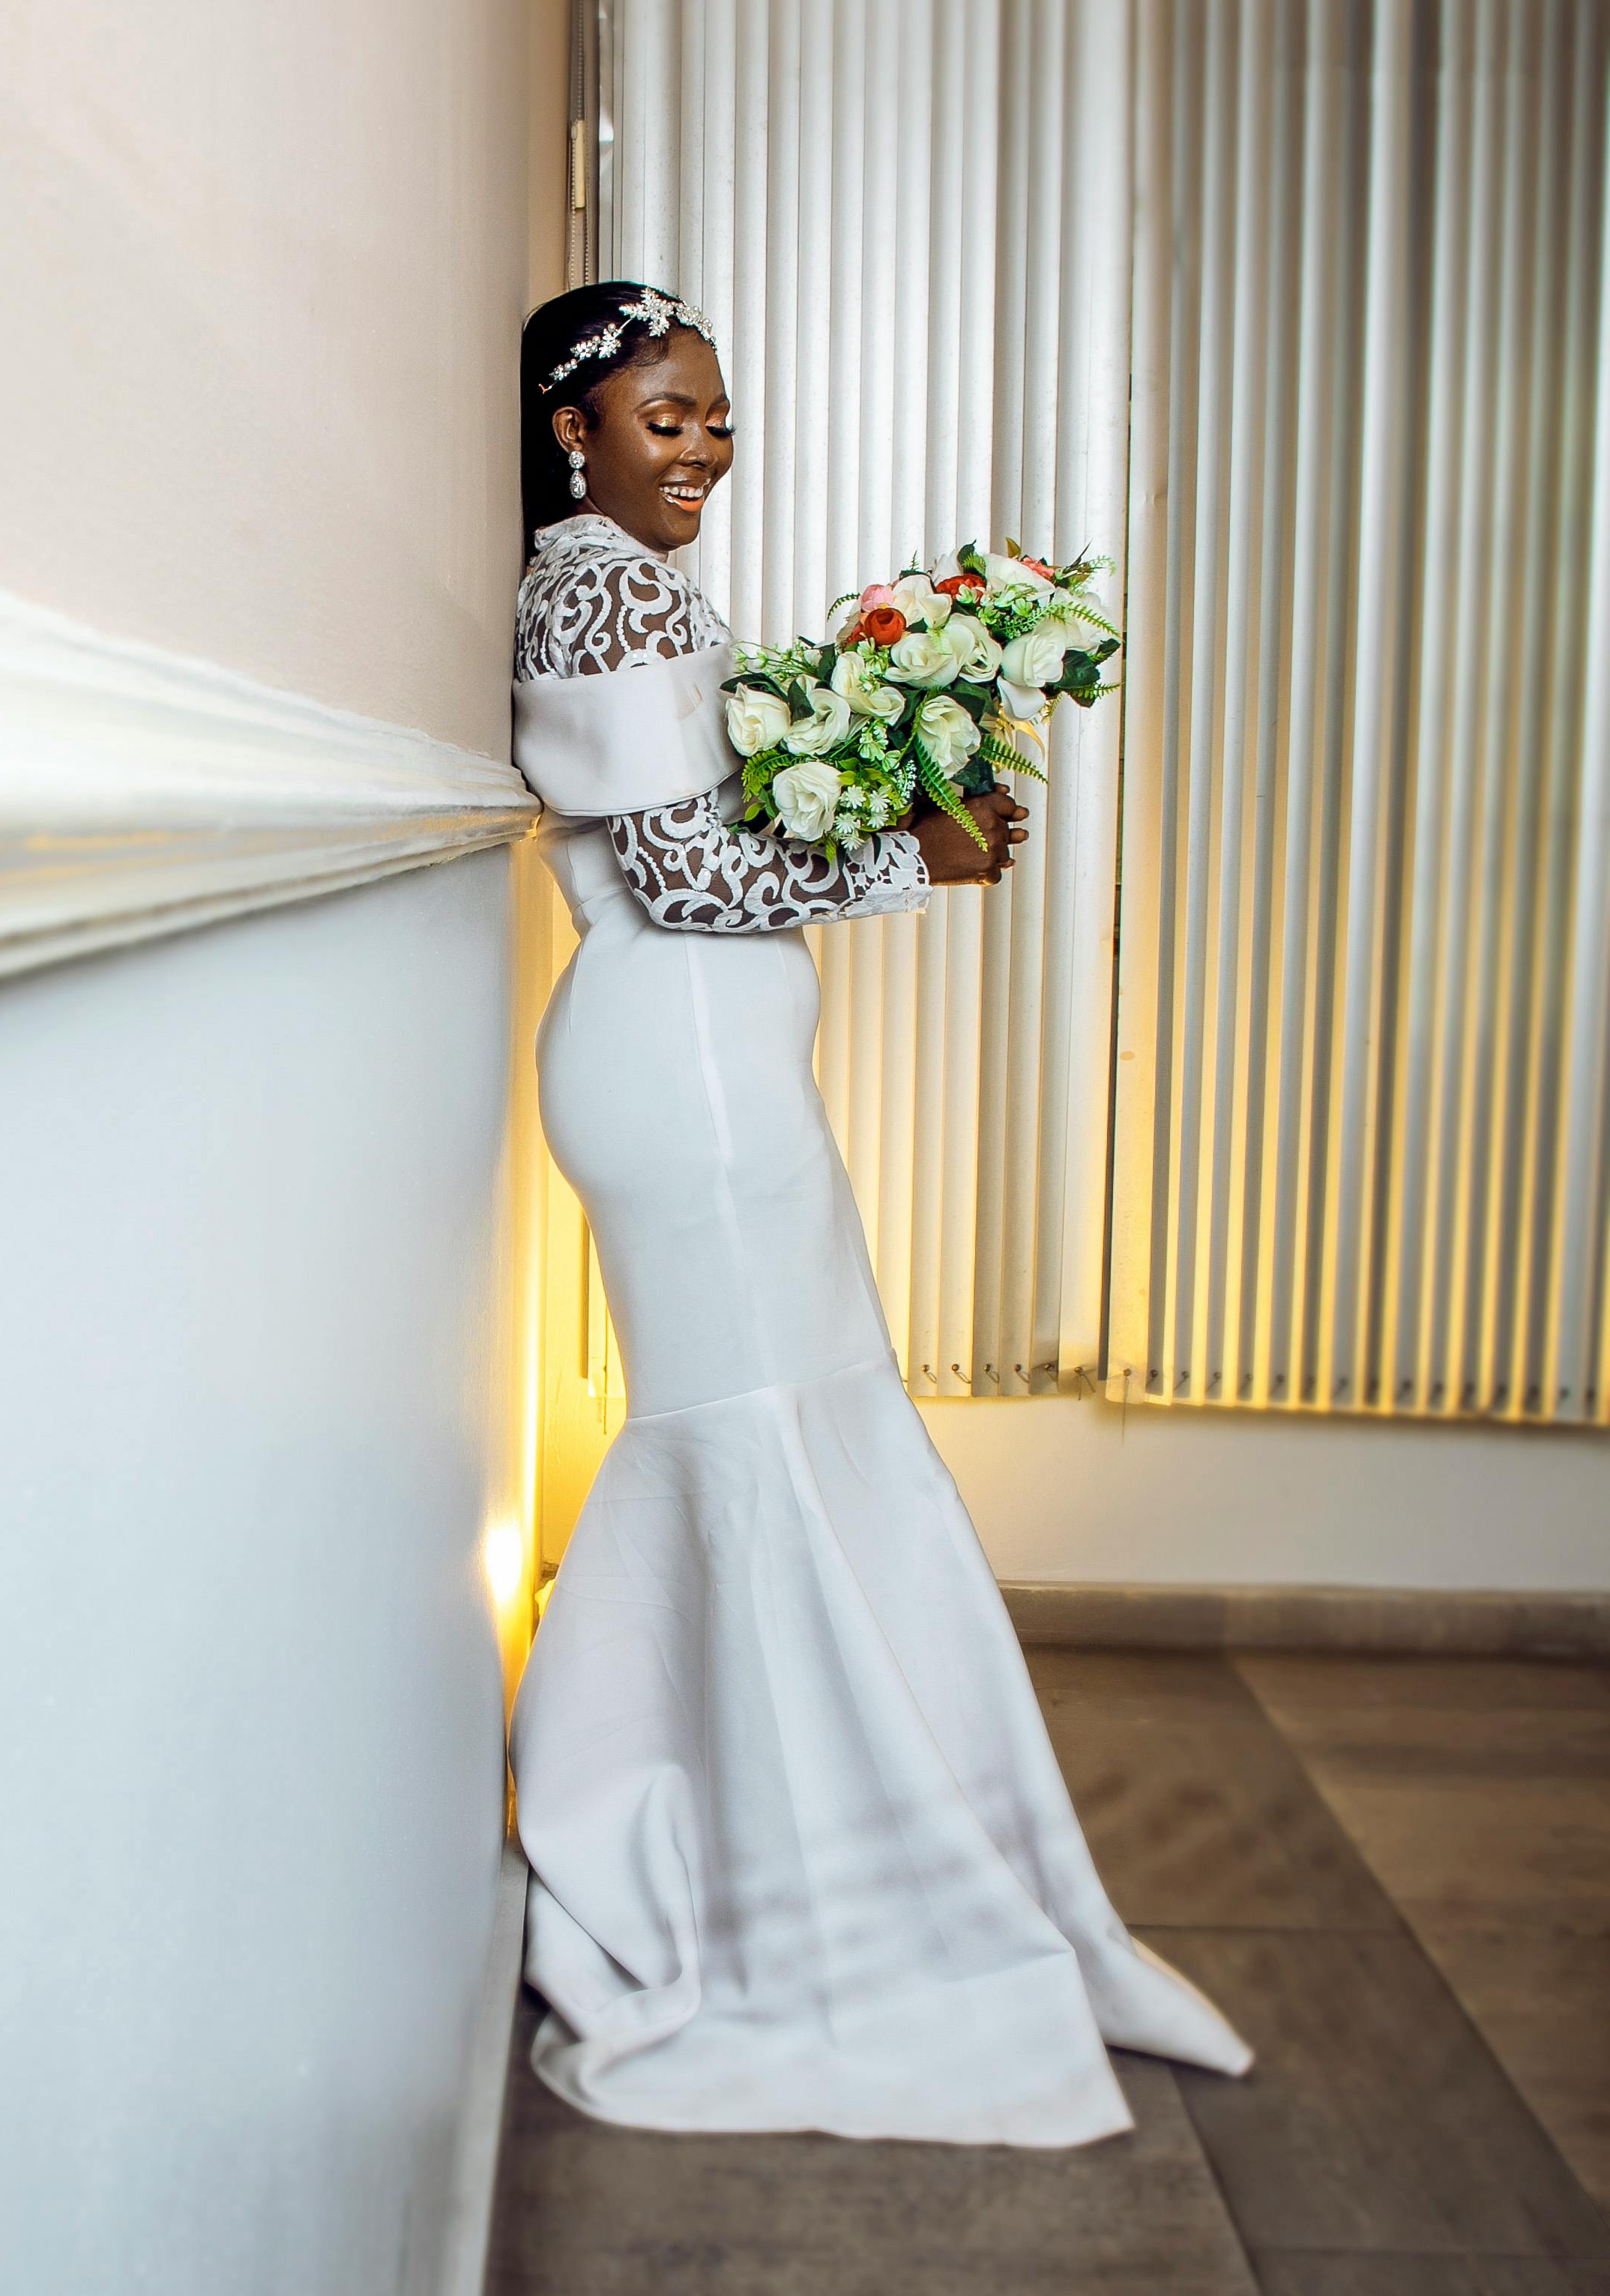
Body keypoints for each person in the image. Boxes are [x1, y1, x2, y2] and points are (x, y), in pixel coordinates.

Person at [506, 280, 1252, 2147]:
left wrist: (883, 800)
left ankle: (981, 1886)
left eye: (715, 417)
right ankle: (816, 1909)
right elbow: (675, 867)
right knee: (765, 1453)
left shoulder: (642, 575)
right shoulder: (595, 573)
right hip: (674, 1057)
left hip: (719, 1063)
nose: (699, 450)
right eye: (660, 415)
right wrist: (895, 847)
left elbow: (698, 820)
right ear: (568, 428)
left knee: (823, 1446)